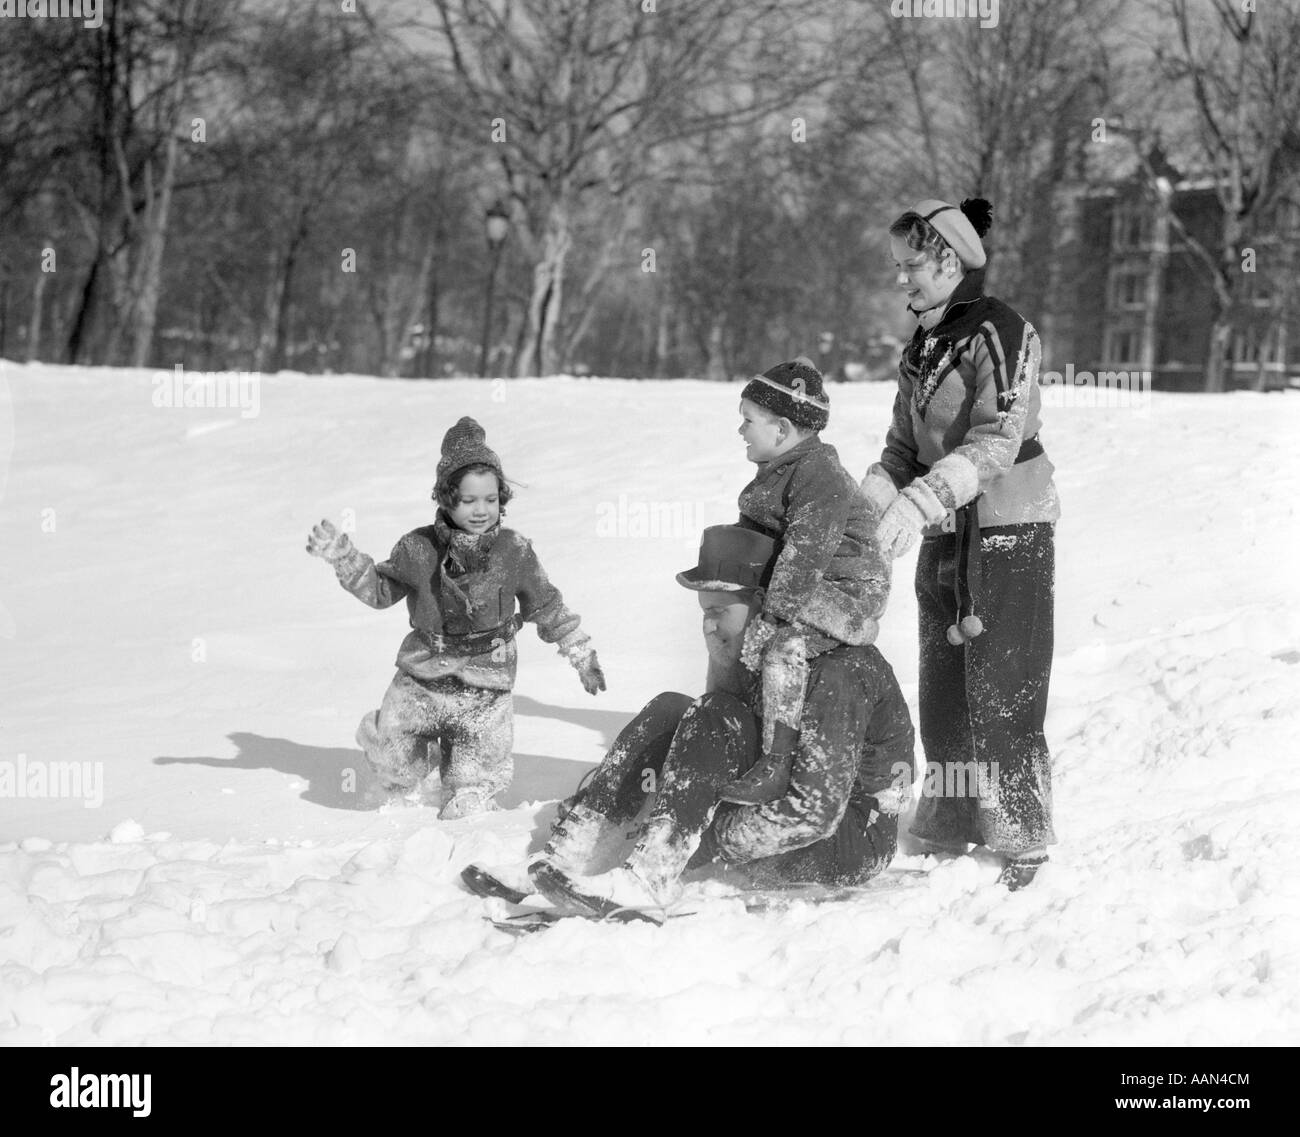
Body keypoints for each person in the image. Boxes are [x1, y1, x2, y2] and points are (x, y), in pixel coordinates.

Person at [529, 524, 915, 916]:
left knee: (713, 714)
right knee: (672, 709)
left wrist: (710, 840)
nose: (707, 625)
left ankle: (650, 872)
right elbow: (708, 746)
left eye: (718, 612)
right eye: (703, 613)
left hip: (851, 836)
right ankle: (577, 852)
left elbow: (814, 814)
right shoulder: (763, 647)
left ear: (763, 601)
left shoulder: (836, 671)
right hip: (782, 807)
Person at [863, 197, 1059, 890]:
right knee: (943, 682)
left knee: (1002, 680)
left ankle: (1021, 831)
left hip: (1007, 525)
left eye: (910, 265)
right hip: (942, 523)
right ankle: (949, 819)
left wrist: (920, 499)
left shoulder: (1004, 332)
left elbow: (998, 438)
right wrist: (871, 506)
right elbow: (901, 446)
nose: (901, 282)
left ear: (950, 257)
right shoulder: (923, 342)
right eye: (896, 268)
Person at [306, 416, 604, 820]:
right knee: (395, 754)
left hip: (488, 679)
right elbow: (380, 591)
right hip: (422, 674)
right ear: (446, 499)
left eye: (491, 499)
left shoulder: (514, 551)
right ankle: (402, 796)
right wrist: (346, 560)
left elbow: (547, 606)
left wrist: (580, 652)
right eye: (469, 500)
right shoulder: (417, 548)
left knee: (476, 768)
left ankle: (468, 799)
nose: (482, 510)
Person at [719, 359, 889, 806]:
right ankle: (736, 726)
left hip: (847, 595)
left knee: (781, 649)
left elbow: (804, 554)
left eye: (748, 421)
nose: (741, 431)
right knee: (746, 632)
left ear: (781, 429)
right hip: (809, 587)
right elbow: (755, 541)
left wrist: (771, 619)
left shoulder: (818, 474)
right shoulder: (778, 472)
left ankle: (777, 761)